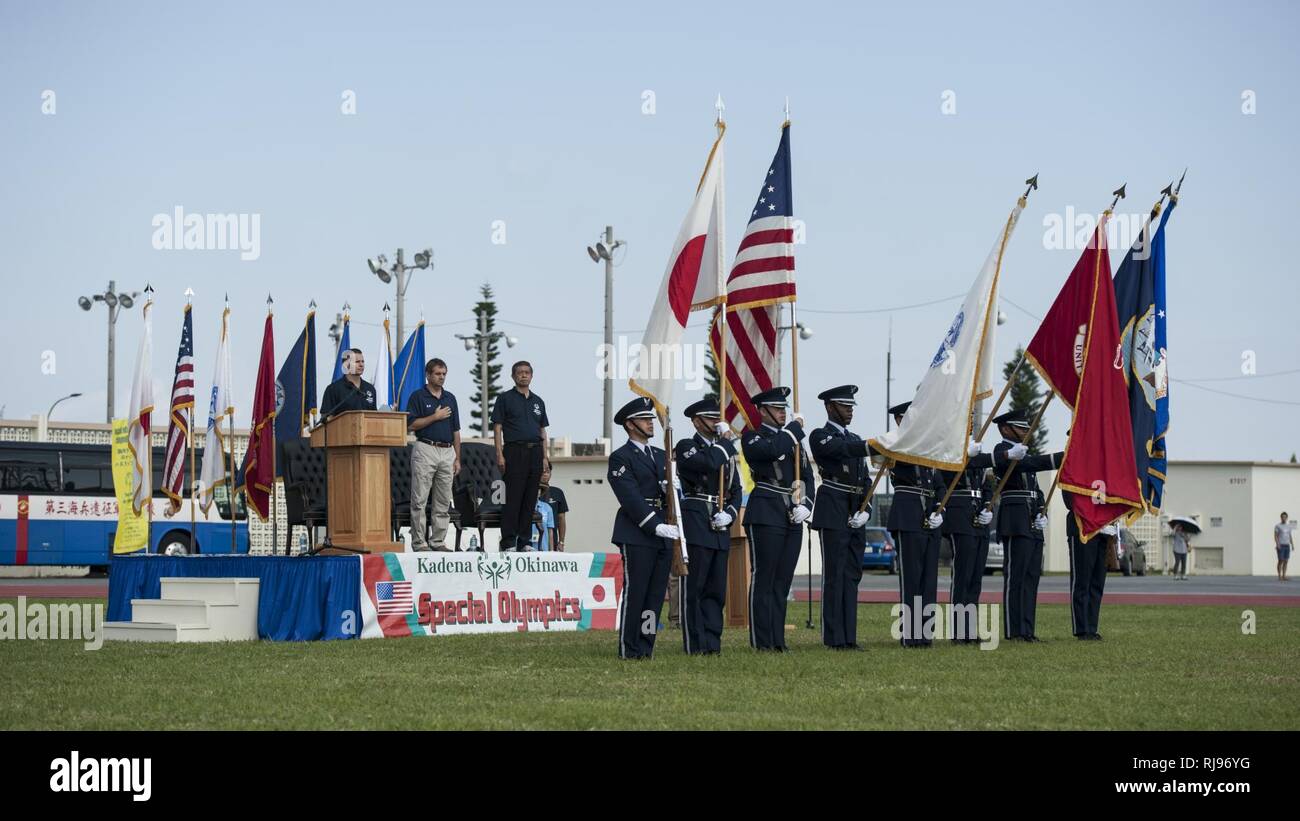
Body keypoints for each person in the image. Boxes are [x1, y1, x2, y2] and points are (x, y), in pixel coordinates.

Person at [740, 386, 816, 652]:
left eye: (784, 409)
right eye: (777, 409)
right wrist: (794, 429)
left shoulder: (793, 441)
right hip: (765, 511)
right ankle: (762, 642)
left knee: (782, 581)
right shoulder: (752, 437)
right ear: (762, 411)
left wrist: (806, 503)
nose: (782, 413)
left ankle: (778, 640)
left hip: (790, 513)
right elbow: (771, 451)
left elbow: (805, 475)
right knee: (764, 578)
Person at [607, 396, 678, 659]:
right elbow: (630, 497)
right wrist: (655, 526)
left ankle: (646, 646)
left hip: (664, 531)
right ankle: (629, 647)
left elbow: (670, 494)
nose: (651, 423)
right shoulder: (620, 458)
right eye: (645, 419)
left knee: (655, 596)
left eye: (651, 419)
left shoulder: (661, 456)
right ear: (630, 424)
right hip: (638, 531)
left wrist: (674, 490)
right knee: (637, 592)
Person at [988, 408, 1063, 641]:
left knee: (1031, 577)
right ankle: (1013, 630)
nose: (1025, 431)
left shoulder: (1021, 453)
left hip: (1031, 518)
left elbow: (1036, 488)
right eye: (1020, 428)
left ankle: (1027, 629)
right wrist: (1063, 456)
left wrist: (1043, 510)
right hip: (1015, 518)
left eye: (1025, 428)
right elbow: (1026, 466)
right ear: (1005, 429)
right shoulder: (1003, 451)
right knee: (1015, 577)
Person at [674, 397, 742, 655]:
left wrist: (731, 514)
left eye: (718, 418)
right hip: (697, 520)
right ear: (696, 420)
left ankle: (713, 643)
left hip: (719, 522)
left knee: (716, 590)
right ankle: (695, 643)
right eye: (711, 418)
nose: (716, 422)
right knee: (696, 587)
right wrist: (726, 442)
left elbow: (736, 489)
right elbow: (706, 463)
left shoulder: (725, 452)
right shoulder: (687, 446)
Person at [809, 385, 873, 650]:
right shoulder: (820, 435)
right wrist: (870, 446)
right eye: (844, 406)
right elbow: (840, 450)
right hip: (833, 505)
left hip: (855, 508)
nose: (849, 411)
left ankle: (849, 636)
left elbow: (866, 480)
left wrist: (866, 511)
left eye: (851, 407)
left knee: (852, 575)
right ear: (829, 407)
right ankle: (833, 637)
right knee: (834, 575)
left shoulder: (855, 438)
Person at [879, 401, 945, 648]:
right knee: (911, 578)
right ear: (899, 419)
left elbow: (938, 482)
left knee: (929, 579)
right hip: (908, 515)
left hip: (930, 515)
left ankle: (925, 634)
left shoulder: (926, 448)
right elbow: (886, 458)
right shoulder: (895, 443)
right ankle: (910, 634)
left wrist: (941, 507)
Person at [936, 430, 999, 644]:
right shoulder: (947, 450)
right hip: (959, 514)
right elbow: (943, 477)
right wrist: (964, 456)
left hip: (978, 516)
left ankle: (970, 630)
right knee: (962, 575)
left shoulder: (977, 454)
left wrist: (988, 507)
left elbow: (987, 485)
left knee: (975, 579)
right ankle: (958, 631)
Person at [491, 361, 549, 552]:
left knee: (530, 498)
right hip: (514, 452)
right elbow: (497, 428)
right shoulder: (505, 398)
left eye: (527, 372)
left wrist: (544, 458)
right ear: (513, 376)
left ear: (531, 376)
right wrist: (499, 454)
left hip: (535, 452)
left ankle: (524, 542)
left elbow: (542, 431)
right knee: (513, 498)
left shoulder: (538, 401)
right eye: (519, 372)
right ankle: (508, 542)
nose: (523, 375)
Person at [406, 358, 461, 552]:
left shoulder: (450, 398)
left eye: (444, 373)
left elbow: (456, 430)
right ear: (428, 375)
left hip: (447, 451)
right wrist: (434, 417)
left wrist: (458, 458)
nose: (442, 377)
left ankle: (438, 541)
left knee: (443, 499)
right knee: (419, 498)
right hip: (425, 448)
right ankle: (419, 542)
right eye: (438, 374)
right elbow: (410, 424)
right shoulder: (418, 396)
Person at [1065, 492, 1113, 640]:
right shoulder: (1075, 469)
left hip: (1104, 529)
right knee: (1082, 581)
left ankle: (1092, 628)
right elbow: (1070, 501)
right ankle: (1082, 629)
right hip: (1082, 526)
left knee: (1097, 583)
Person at [321, 349, 378, 417]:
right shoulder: (333, 389)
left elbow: (374, 416)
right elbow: (326, 418)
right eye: (357, 362)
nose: (361, 364)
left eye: (362, 361)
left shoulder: (370, 389)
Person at [537, 464, 568, 552]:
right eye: (543, 472)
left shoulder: (558, 492)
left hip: (551, 539)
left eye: (548, 472)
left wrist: (561, 542)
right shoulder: (530, 492)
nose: (545, 474)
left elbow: (561, 518)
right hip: (532, 540)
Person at [1275, 512, 1292, 582]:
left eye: (1285, 517)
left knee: (1286, 561)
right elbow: (1275, 535)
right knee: (1280, 560)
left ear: (1287, 518)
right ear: (1281, 517)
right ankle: (1279, 576)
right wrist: (1277, 544)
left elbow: (1290, 536)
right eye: (1282, 517)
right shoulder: (1277, 526)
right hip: (1281, 545)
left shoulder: (1289, 526)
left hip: (1287, 545)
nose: (1284, 518)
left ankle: (1284, 575)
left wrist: (1292, 544)